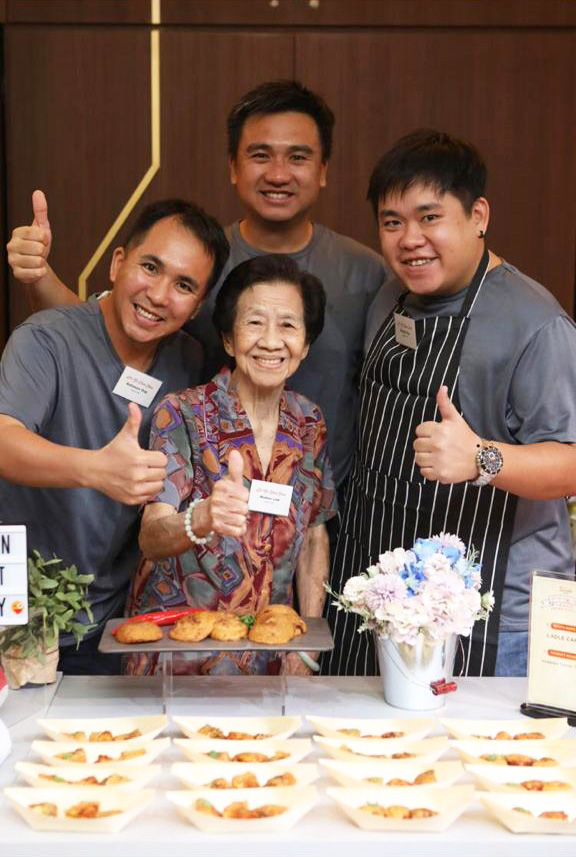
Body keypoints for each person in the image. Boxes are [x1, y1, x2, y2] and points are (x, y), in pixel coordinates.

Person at [7, 80, 395, 494]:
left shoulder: (367, 273)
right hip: (202, 507)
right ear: (233, 166)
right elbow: (97, 333)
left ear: (322, 171)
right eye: (260, 155)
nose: (278, 173)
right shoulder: (198, 260)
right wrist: (39, 275)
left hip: (320, 507)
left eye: (298, 157)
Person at [323, 129, 576, 678]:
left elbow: (571, 463)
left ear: (478, 215)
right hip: (382, 588)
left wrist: (483, 457)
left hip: (492, 611)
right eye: (392, 222)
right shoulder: (391, 295)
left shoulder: (536, 323)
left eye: (429, 217)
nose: (410, 239)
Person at [0, 198, 229, 674]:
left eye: (184, 285)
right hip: (23, 614)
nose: (160, 294)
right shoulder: (45, 339)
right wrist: (97, 469)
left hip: (111, 620)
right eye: (150, 267)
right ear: (118, 261)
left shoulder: (187, 361)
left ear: (198, 306)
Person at [125, 254, 337, 677]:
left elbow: (315, 535)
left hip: (271, 653)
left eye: (289, 326)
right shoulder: (182, 413)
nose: (272, 341)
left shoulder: (309, 421)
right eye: (255, 322)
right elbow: (151, 536)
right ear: (228, 338)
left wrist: (306, 646)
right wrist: (202, 517)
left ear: (306, 345)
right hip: (180, 653)